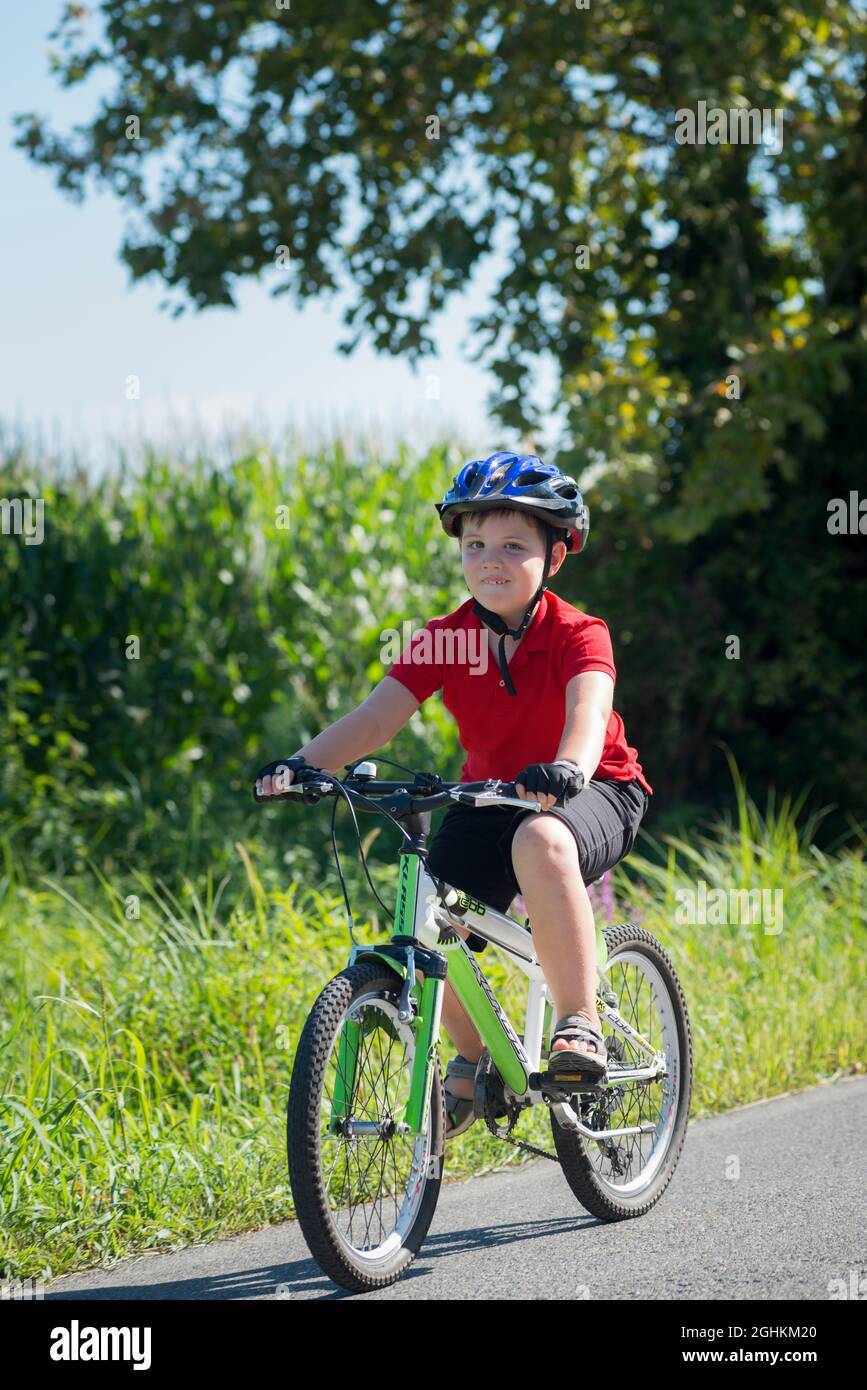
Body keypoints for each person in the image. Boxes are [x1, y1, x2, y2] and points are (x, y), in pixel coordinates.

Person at [253, 451, 652, 1139]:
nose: (489, 560)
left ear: (554, 557)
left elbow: (588, 712)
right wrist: (301, 766)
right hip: (490, 796)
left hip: (596, 788)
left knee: (541, 839)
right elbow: (376, 719)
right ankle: (474, 1061)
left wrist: (567, 768)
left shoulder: (579, 633)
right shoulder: (444, 640)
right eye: (474, 545)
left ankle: (579, 1024)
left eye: (512, 546)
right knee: (430, 917)